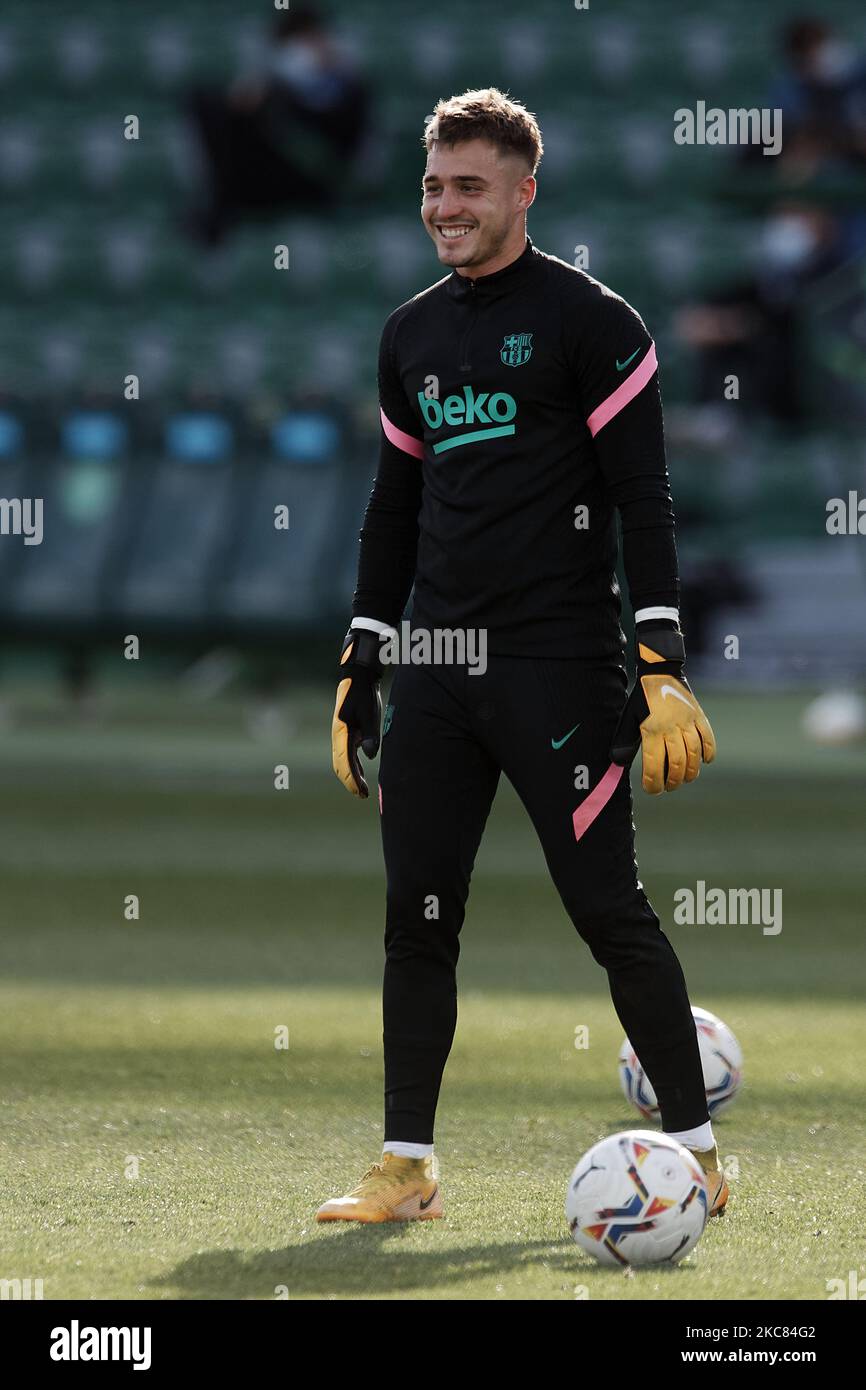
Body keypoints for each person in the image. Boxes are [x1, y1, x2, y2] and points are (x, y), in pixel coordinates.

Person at [323, 89, 724, 1224]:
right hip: (441, 673)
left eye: (467, 188)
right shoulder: (410, 333)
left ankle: (694, 1153)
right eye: (432, 187)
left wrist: (657, 660)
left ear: (522, 193)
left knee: (608, 912)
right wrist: (363, 658)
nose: (444, 207)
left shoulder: (594, 323)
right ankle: (405, 1167)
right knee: (418, 913)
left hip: (561, 664)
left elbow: (641, 500)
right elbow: (391, 506)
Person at [182, 5, 369, 246]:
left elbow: (340, 137)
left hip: (319, 181)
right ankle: (220, 204)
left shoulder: (350, 86)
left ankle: (221, 206)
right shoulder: (274, 84)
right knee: (207, 100)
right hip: (266, 176)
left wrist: (280, 94)